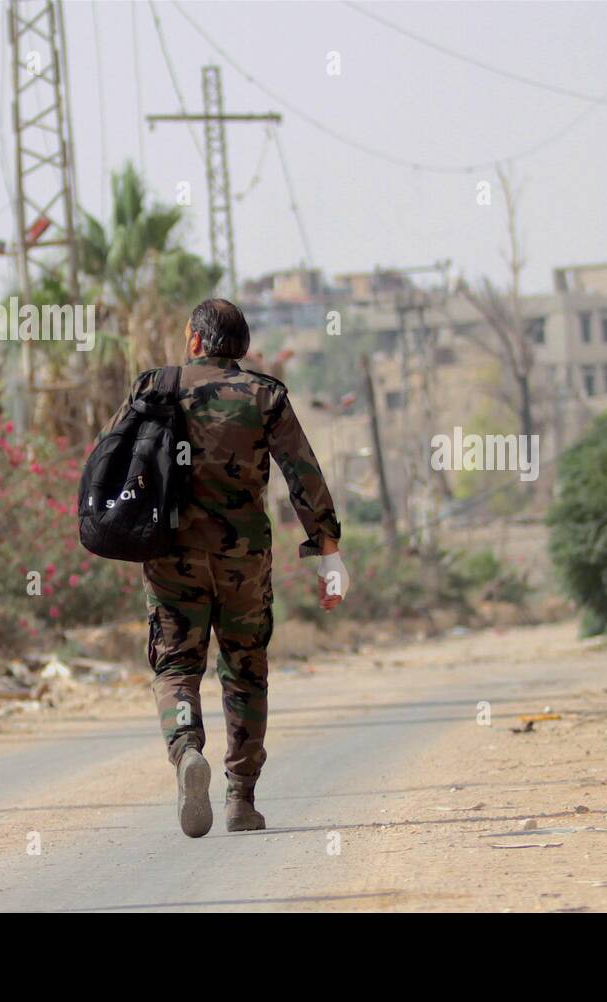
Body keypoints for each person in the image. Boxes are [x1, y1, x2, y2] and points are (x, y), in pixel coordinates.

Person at [102, 298, 348, 837]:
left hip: (171, 558)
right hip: (244, 561)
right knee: (244, 672)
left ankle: (187, 749)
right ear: (241, 347)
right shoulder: (266, 396)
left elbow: (111, 456)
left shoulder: (155, 387)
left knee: (175, 670)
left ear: (195, 339)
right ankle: (241, 798)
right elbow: (302, 474)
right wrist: (327, 551)